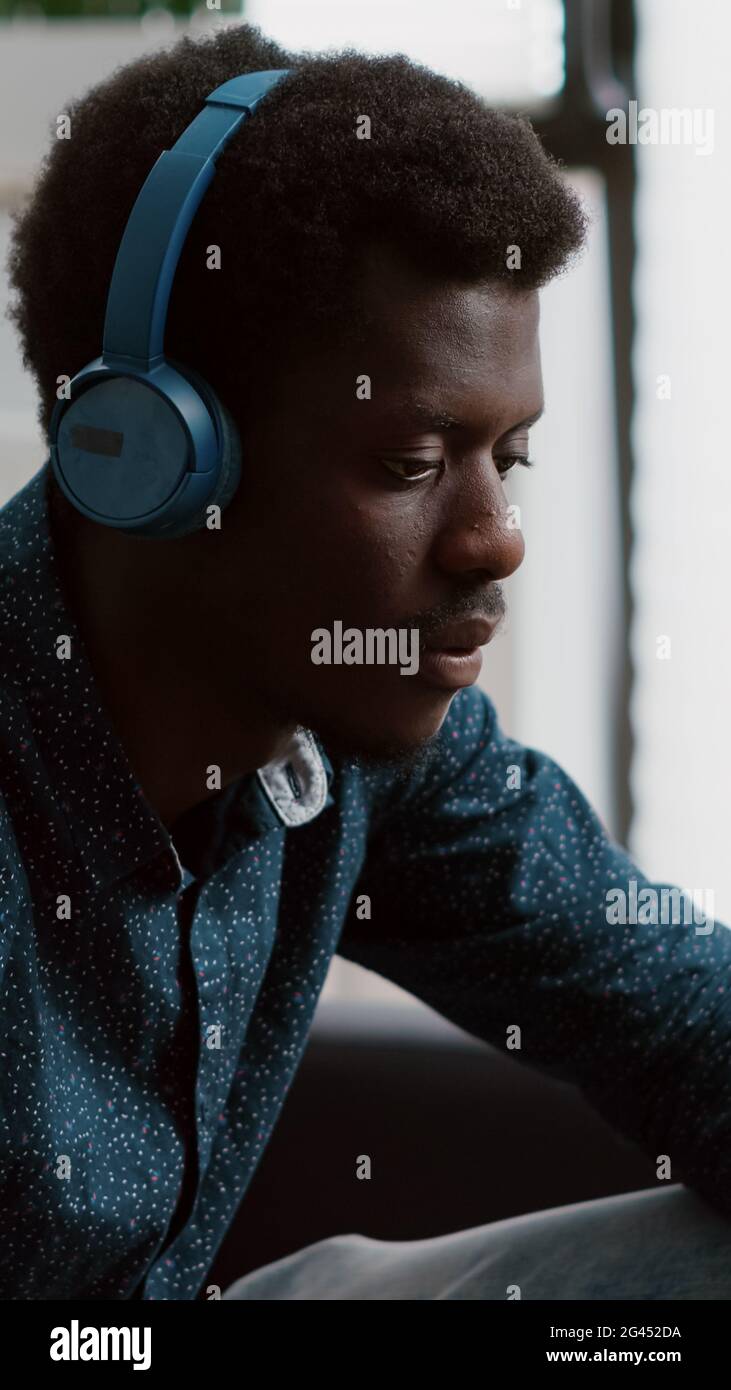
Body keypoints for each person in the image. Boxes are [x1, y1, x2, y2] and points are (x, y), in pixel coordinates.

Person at [1, 24, 729, 1302]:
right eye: (410, 463)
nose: (495, 538)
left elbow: (681, 1014)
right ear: (152, 461)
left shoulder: (361, 730)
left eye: (511, 457)